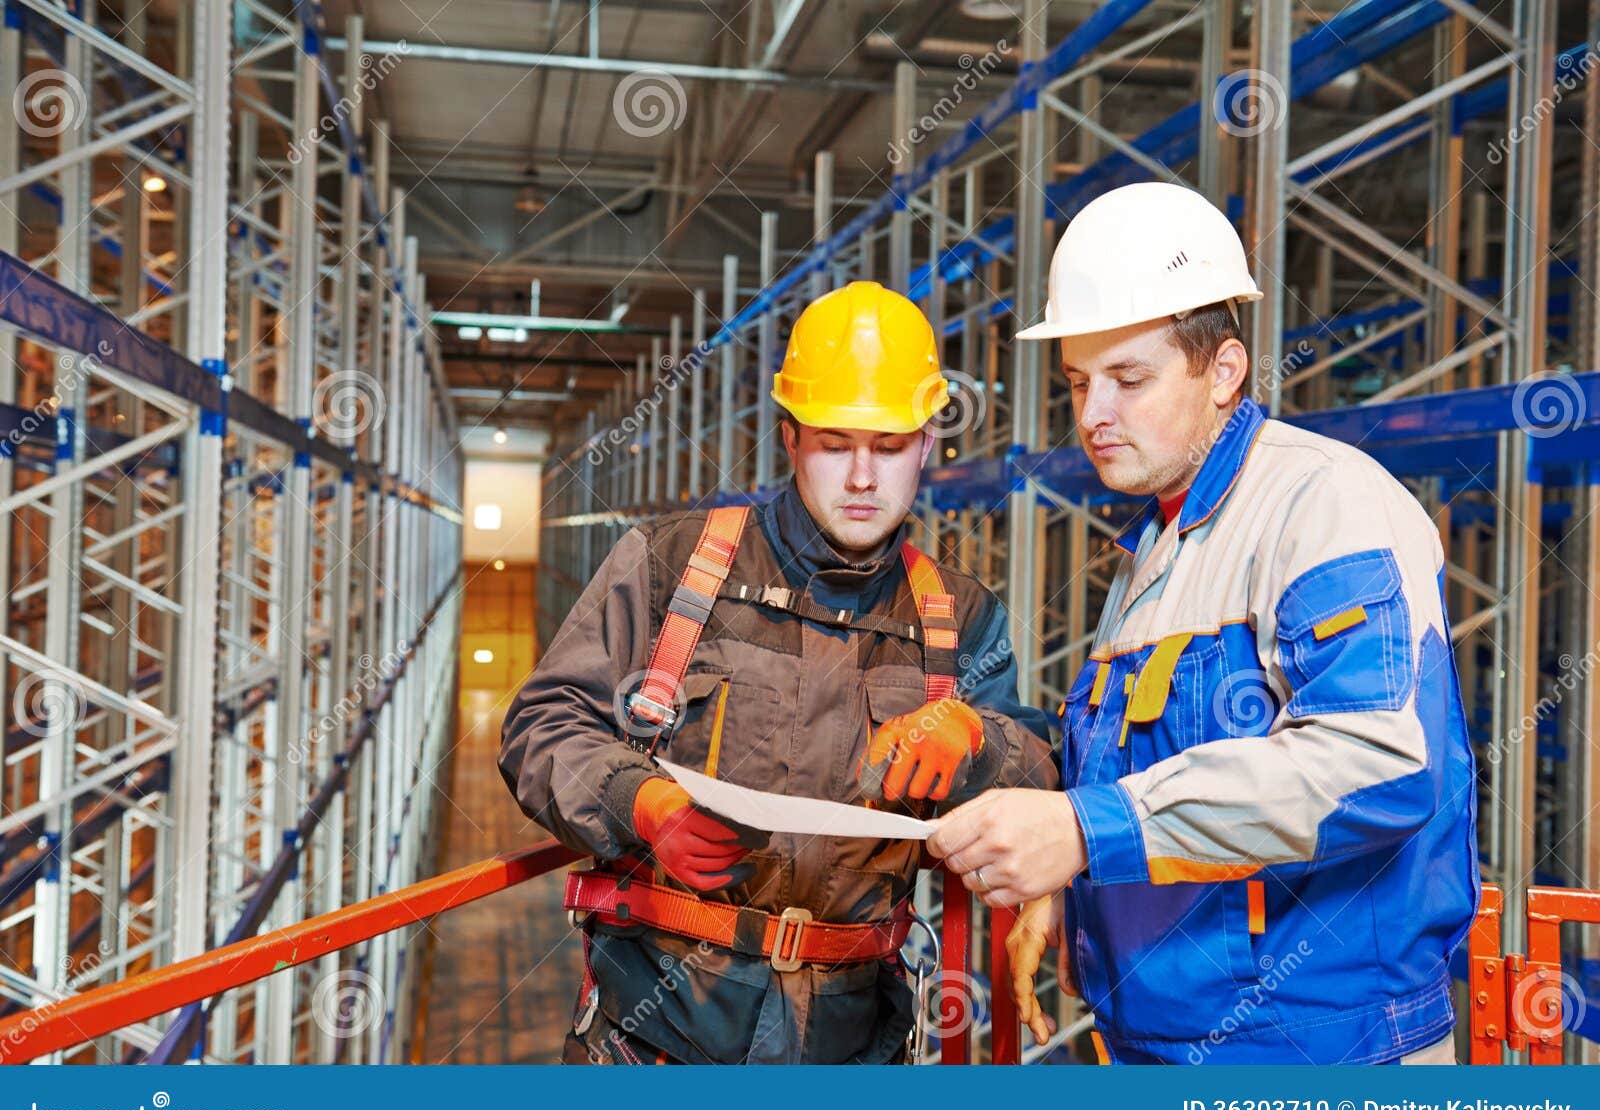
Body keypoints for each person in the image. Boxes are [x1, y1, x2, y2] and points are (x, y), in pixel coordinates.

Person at [927, 181, 1480, 1065]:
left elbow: (1378, 763)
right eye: (1077, 382)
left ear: (1224, 370)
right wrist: (1070, 899)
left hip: (1320, 1054)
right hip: (1155, 1042)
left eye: (1128, 379)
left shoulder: (1323, 502)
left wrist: (1080, 831)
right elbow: (1145, 778)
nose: (1093, 415)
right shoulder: (1154, 547)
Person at [498, 280, 1058, 1064]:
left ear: (928, 445)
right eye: (835, 443)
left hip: (854, 1046)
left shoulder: (958, 616)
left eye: (890, 447)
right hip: (660, 1039)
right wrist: (644, 803)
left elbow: (1039, 781)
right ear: (789, 438)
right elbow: (543, 724)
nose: (863, 478)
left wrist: (978, 738)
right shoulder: (674, 565)